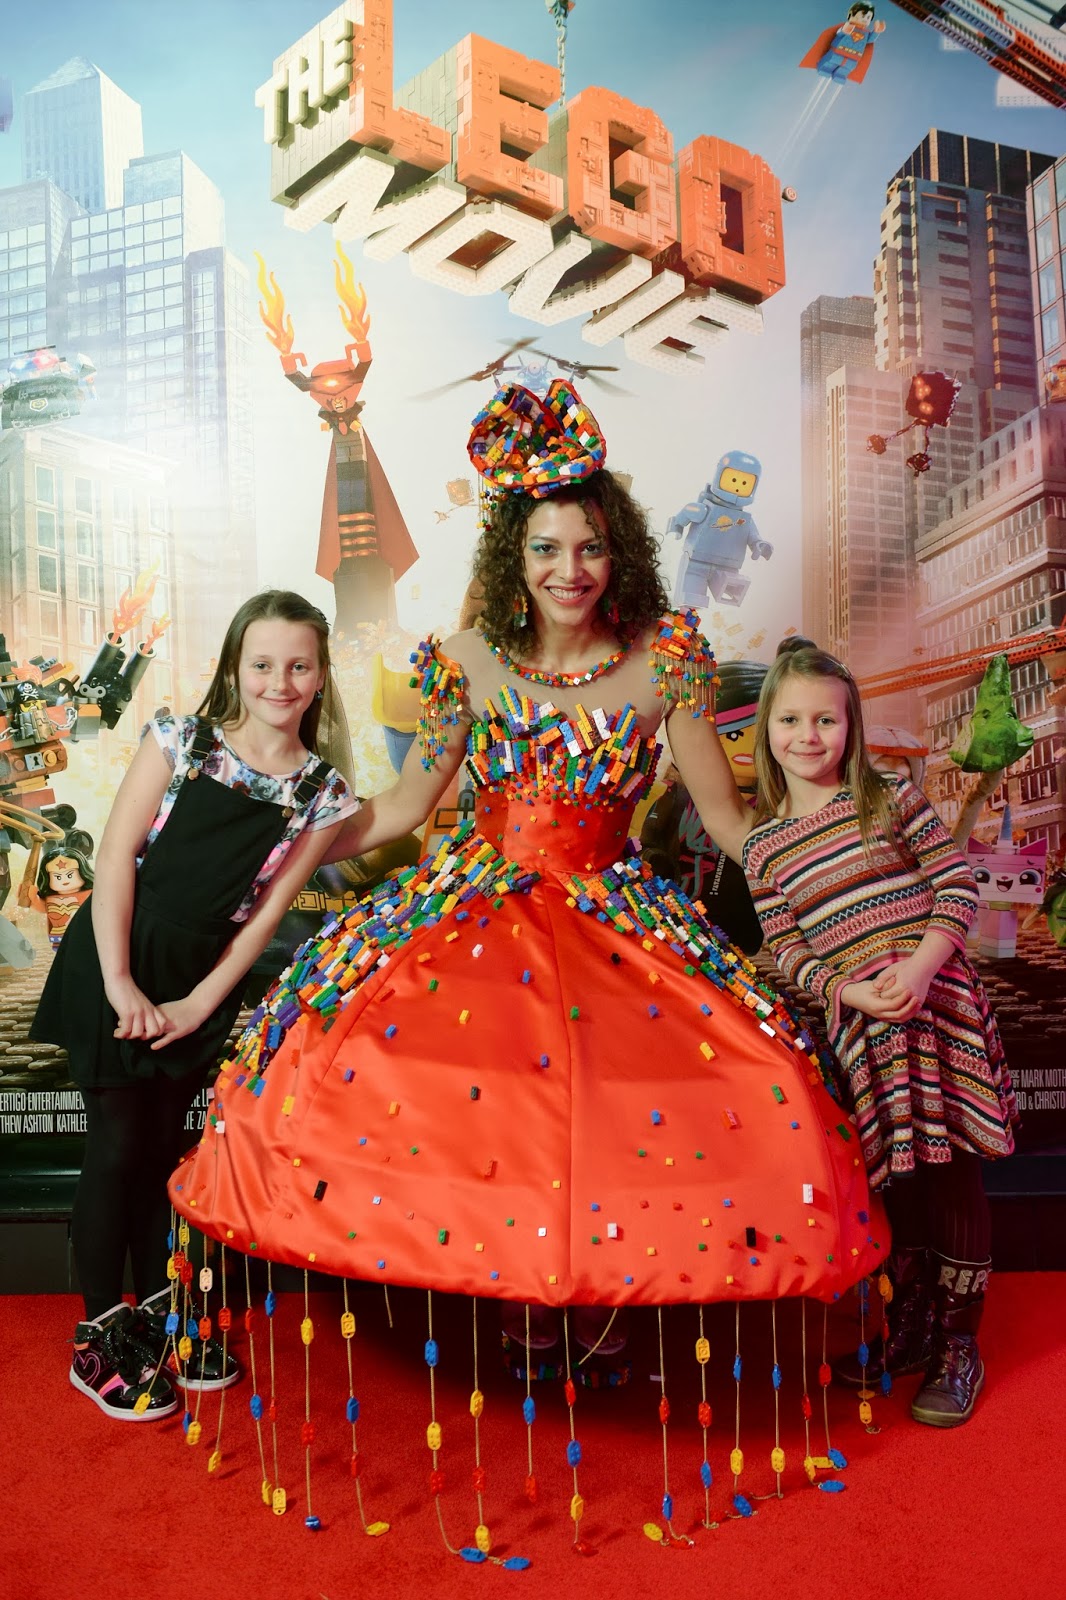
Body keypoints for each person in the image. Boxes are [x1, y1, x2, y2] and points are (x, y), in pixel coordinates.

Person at [169, 384, 885, 1394]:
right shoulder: (464, 661)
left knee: (682, 1089)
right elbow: (410, 803)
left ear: (618, 550)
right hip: (474, 909)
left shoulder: (664, 662)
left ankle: (596, 1310)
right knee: (456, 1094)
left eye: (588, 547)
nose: (568, 570)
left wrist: (845, 871)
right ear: (513, 553)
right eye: (546, 548)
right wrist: (279, 839)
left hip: (618, 914)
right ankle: (522, 1315)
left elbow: (727, 822)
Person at [31, 590, 359, 1420]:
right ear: (234, 668)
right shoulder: (180, 740)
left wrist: (195, 1004)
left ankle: (150, 1315)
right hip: (117, 956)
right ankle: (98, 1336)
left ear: (320, 676)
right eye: (262, 664)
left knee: (159, 1155)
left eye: (298, 665)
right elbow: (113, 863)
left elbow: (265, 919)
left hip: (196, 985)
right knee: (115, 1147)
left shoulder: (321, 790)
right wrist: (120, 984)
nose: (279, 681)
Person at [739, 639, 1016, 1428]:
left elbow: (956, 884)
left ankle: (960, 1345)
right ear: (768, 729)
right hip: (866, 1028)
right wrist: (848, 989)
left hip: (938, 1007)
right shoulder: (764, 846)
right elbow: (786, 950)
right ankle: (919, 1321)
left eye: (826, 718)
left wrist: (923, 968)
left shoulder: (889, 797)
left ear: (851, 725)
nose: (808, 735)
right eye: (791, 719)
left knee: (953, 1170)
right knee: (900, 1179)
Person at [25, 843, 94, 949]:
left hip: (86, 936)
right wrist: (32, 897)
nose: (64, 880)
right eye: (57, 877)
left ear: (82, 872)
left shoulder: (91, 894)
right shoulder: (50, 899)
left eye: (70, 875)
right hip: (59, 938)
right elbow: (42, 907)